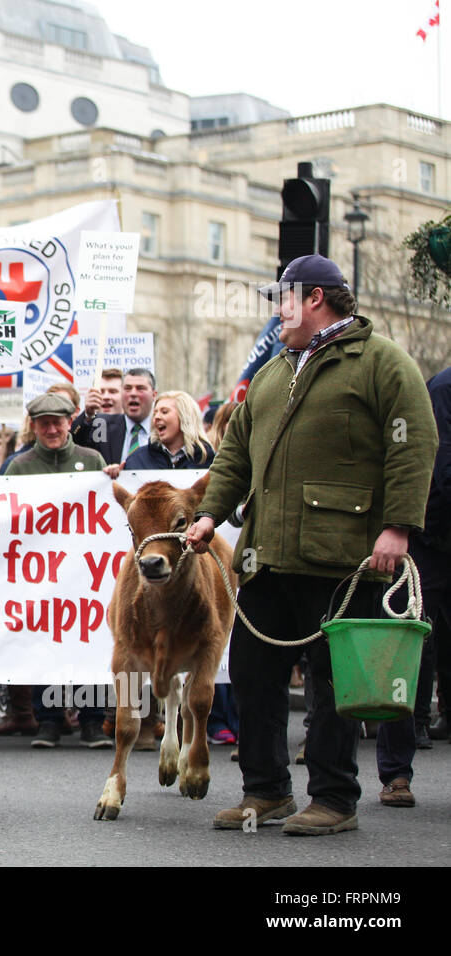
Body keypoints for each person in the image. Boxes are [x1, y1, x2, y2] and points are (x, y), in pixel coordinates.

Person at [187, 254, 436, 836]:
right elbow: (235, 456)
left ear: (315, 298)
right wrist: (208, 514)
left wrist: (398, 527)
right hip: (267, 555)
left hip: (342, 557)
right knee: (253, 675)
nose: (277, 310)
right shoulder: (276, 371)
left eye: (283, 299)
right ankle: (266, 791)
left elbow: (413, 442)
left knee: (331, 685)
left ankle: (334, 800)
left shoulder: (379, 361)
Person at [0, 392, 110, 747]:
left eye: (57, 422)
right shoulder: (20, 466)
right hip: (40, 572)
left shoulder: (92, 460)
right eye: (44, 423)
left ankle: (92, 722)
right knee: (45, 641)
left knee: (90, 640)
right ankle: (49, 719)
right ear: (33, 426)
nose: (51, 429)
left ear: (69, 422)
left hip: (85, 570)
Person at [373, 363, 451, 805]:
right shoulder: (442, 390)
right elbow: (436, 472)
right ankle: (396, 772)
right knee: (404, 654)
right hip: (429, 543)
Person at [72, 367, 157, 465]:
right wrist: (87, 416)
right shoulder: (102, 426)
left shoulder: (162, 429)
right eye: (128, 388)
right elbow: (74, 441)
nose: (133, 393)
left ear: (154, 395)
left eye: (140, 388)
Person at [116, 391, 214, 474]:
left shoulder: (208, 459)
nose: (156, 417)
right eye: (155, 413)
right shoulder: (137, 459)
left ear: (184, 417)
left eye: (164, 412)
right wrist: (114, 474)